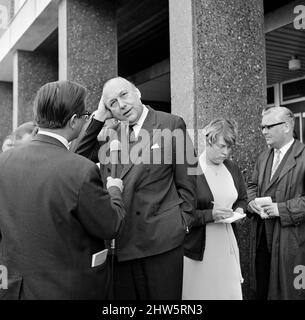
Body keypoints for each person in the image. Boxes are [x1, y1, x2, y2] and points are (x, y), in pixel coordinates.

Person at [0, 80, 125, 300]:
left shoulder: (4, 161)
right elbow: (110, 225)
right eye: (85, 116)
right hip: (66, 291)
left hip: (14, 289)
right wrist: (115, 191)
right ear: (75, 121)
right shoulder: (81, 170)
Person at [74, 76, 196, 300]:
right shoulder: (111, 133)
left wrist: (183, 223)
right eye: (112, 103)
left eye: (124, 95)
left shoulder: (171, 123)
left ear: (137, 93)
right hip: (123, 241)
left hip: (163, 240)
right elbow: (74, 161)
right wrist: (99, 117)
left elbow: (188, 180)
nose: (121, 105)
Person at [183, 118, 247, 299]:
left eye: (229, 147)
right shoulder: (191, 170)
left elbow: (242, 198)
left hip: (227, 244)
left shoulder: (232, 167)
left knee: (227, 292)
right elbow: (182, 214)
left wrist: (240, 210)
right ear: (207, 140)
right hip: (199, 248)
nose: (226, 152)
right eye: (221, 146)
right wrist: (210, 215)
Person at [248, 106, 305, 300]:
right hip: (262, 240)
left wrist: (280, 209)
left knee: (291, 293)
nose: (264, 131)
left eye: (269, 126)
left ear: (287, 126)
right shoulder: (264, 156)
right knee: (262, 290)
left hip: (292, 242)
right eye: (262, 127)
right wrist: (250, 203)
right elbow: (252, 185)